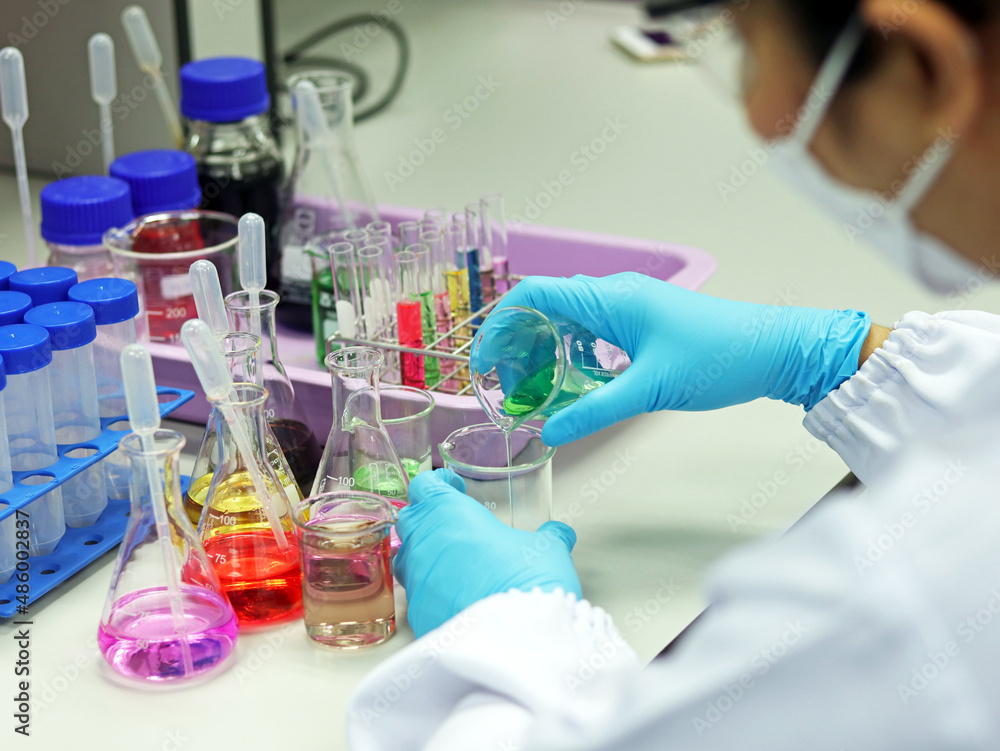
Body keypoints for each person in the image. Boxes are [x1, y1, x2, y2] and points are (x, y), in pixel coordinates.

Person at [349, 0, 1000, 747]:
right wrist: (834, 355)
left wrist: (507, 629)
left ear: (926, 67)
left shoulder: (910, 601)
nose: (759, 112)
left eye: (746, 47)